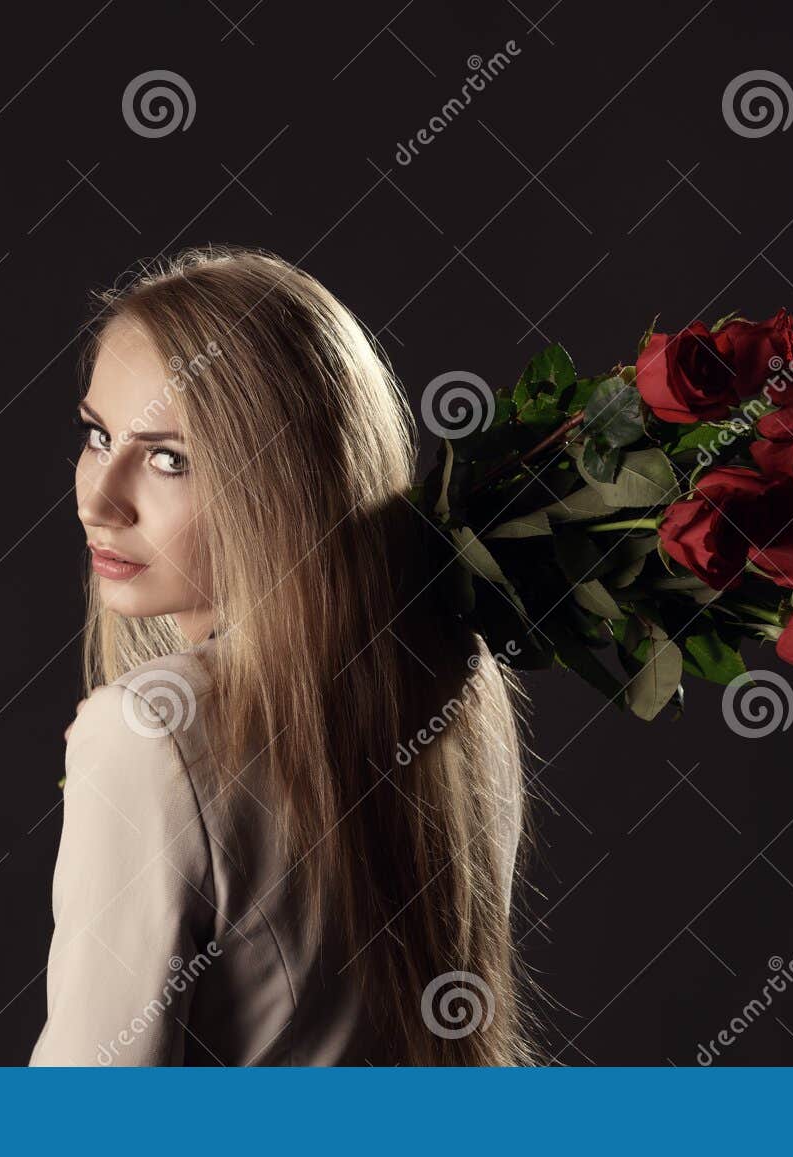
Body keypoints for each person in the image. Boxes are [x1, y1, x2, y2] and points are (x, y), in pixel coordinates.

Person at [29, 246, 537, 1066]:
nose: (98, 497)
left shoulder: (146, 732)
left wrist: (136, 747)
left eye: (169, 457)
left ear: (286, 483)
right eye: (97, 435)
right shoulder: (463, 675)